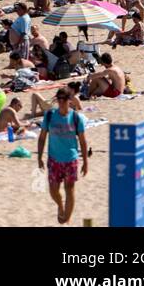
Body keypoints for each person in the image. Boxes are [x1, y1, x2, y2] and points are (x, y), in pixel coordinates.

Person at [37, 87, 89, 224]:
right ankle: (60, 205)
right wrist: (39, 157)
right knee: (53, 191)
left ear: (69, 100)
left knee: (69, 189)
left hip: (71, 160)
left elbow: (83, 142)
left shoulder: (76, 118)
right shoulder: (49, 116)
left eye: (63, 99)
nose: (61, 102)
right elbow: (42, 138)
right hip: (54, 159)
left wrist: (85, 162)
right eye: (58, 99)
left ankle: (67, 218)